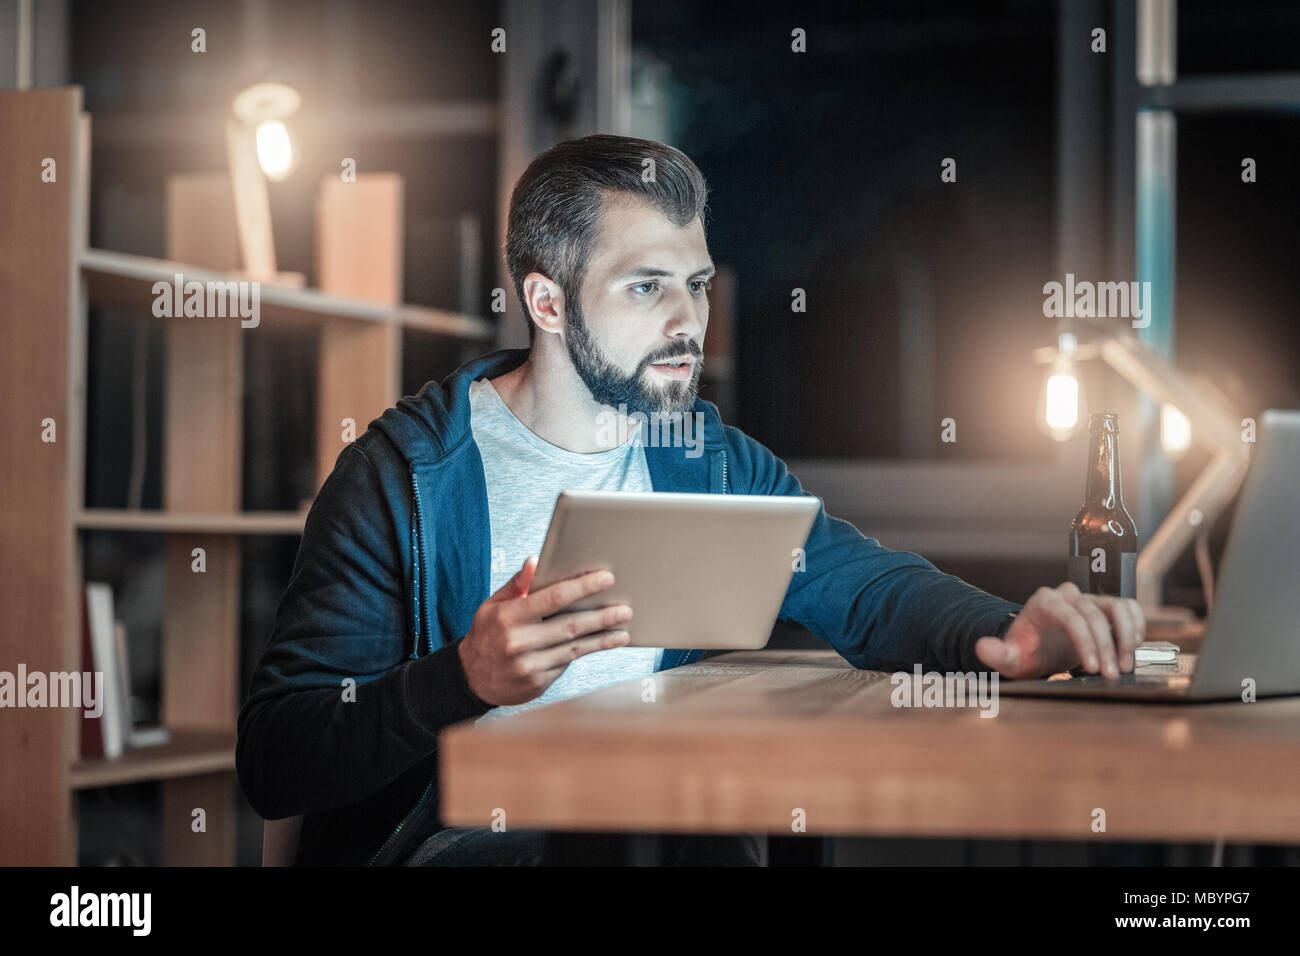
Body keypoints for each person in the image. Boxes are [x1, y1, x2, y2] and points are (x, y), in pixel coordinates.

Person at [236, 134, 1144, 867]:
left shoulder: (707, 458)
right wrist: (458, 681)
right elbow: (278, 758)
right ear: (546, 303)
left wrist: (1012, 634)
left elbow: (863, 588)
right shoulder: (403, 478)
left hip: (659, 823)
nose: (688, 321)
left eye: (698, 283)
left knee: (722, 832)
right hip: (460, 843)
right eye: (647, 286)